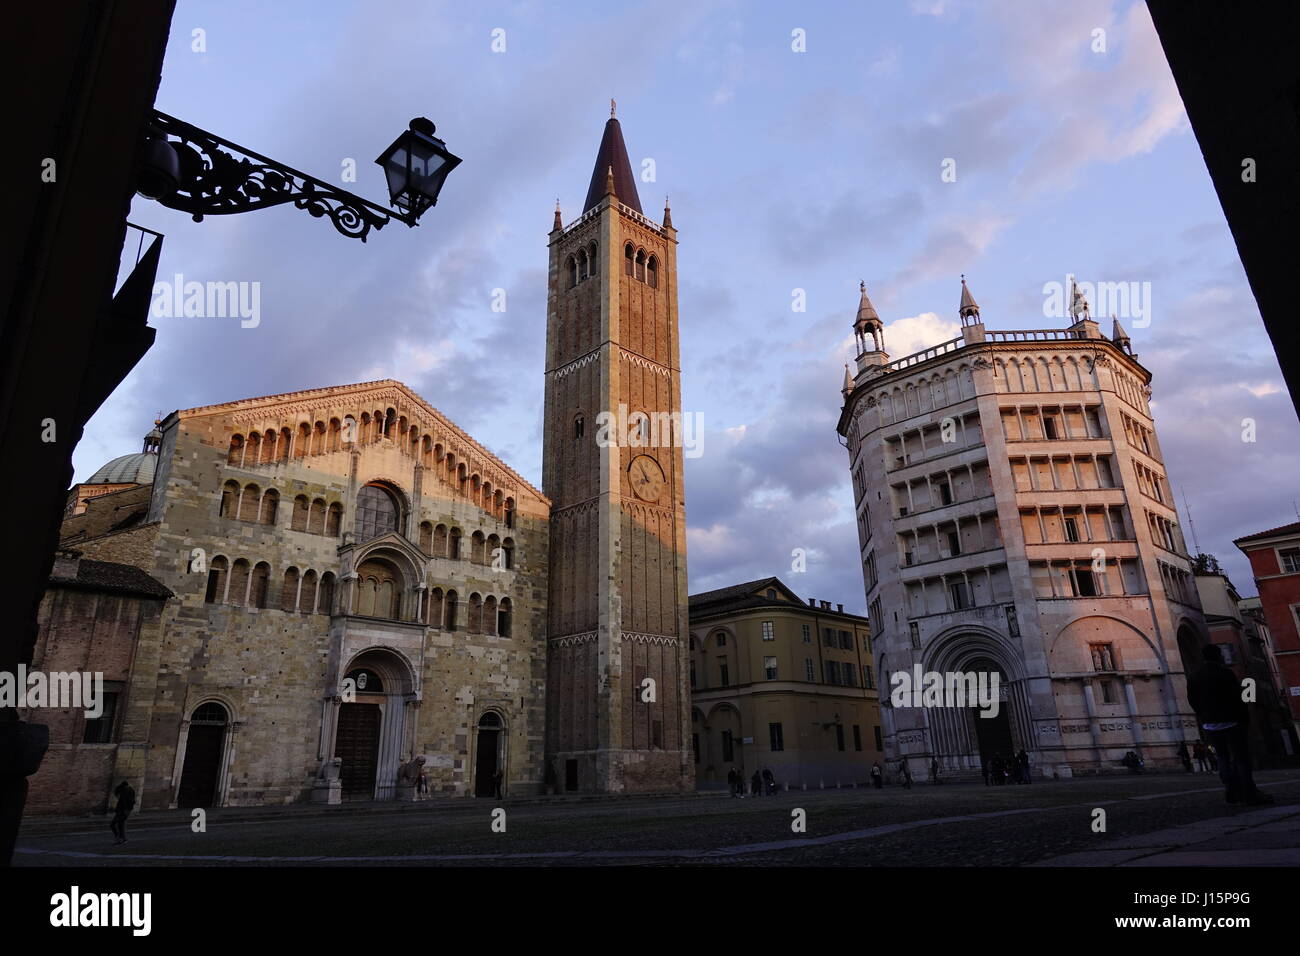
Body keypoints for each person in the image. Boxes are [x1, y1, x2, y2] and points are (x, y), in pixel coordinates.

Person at [1187, 643, 1273, 806]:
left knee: (1222, 757)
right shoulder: (1226, 673)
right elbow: (1237, 697)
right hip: (1232, 721)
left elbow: (1192, 700)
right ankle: (1249, 792)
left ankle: (1231, 791)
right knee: (1241, 758)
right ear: (1217, 656)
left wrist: (1203, 715)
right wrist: (1244, 718)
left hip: (1210, 724)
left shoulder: (1194, 676)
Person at [110, 780, 135, 846]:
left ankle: (119, 838)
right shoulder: (131, 790)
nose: (117, 797)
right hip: (126, 810)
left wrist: (121, 810)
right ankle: (122, 838)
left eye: (117, 795)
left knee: (115, 824)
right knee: (121, 824)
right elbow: (132, 802)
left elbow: (123, 802)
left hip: (122, 811)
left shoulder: (124, 793)